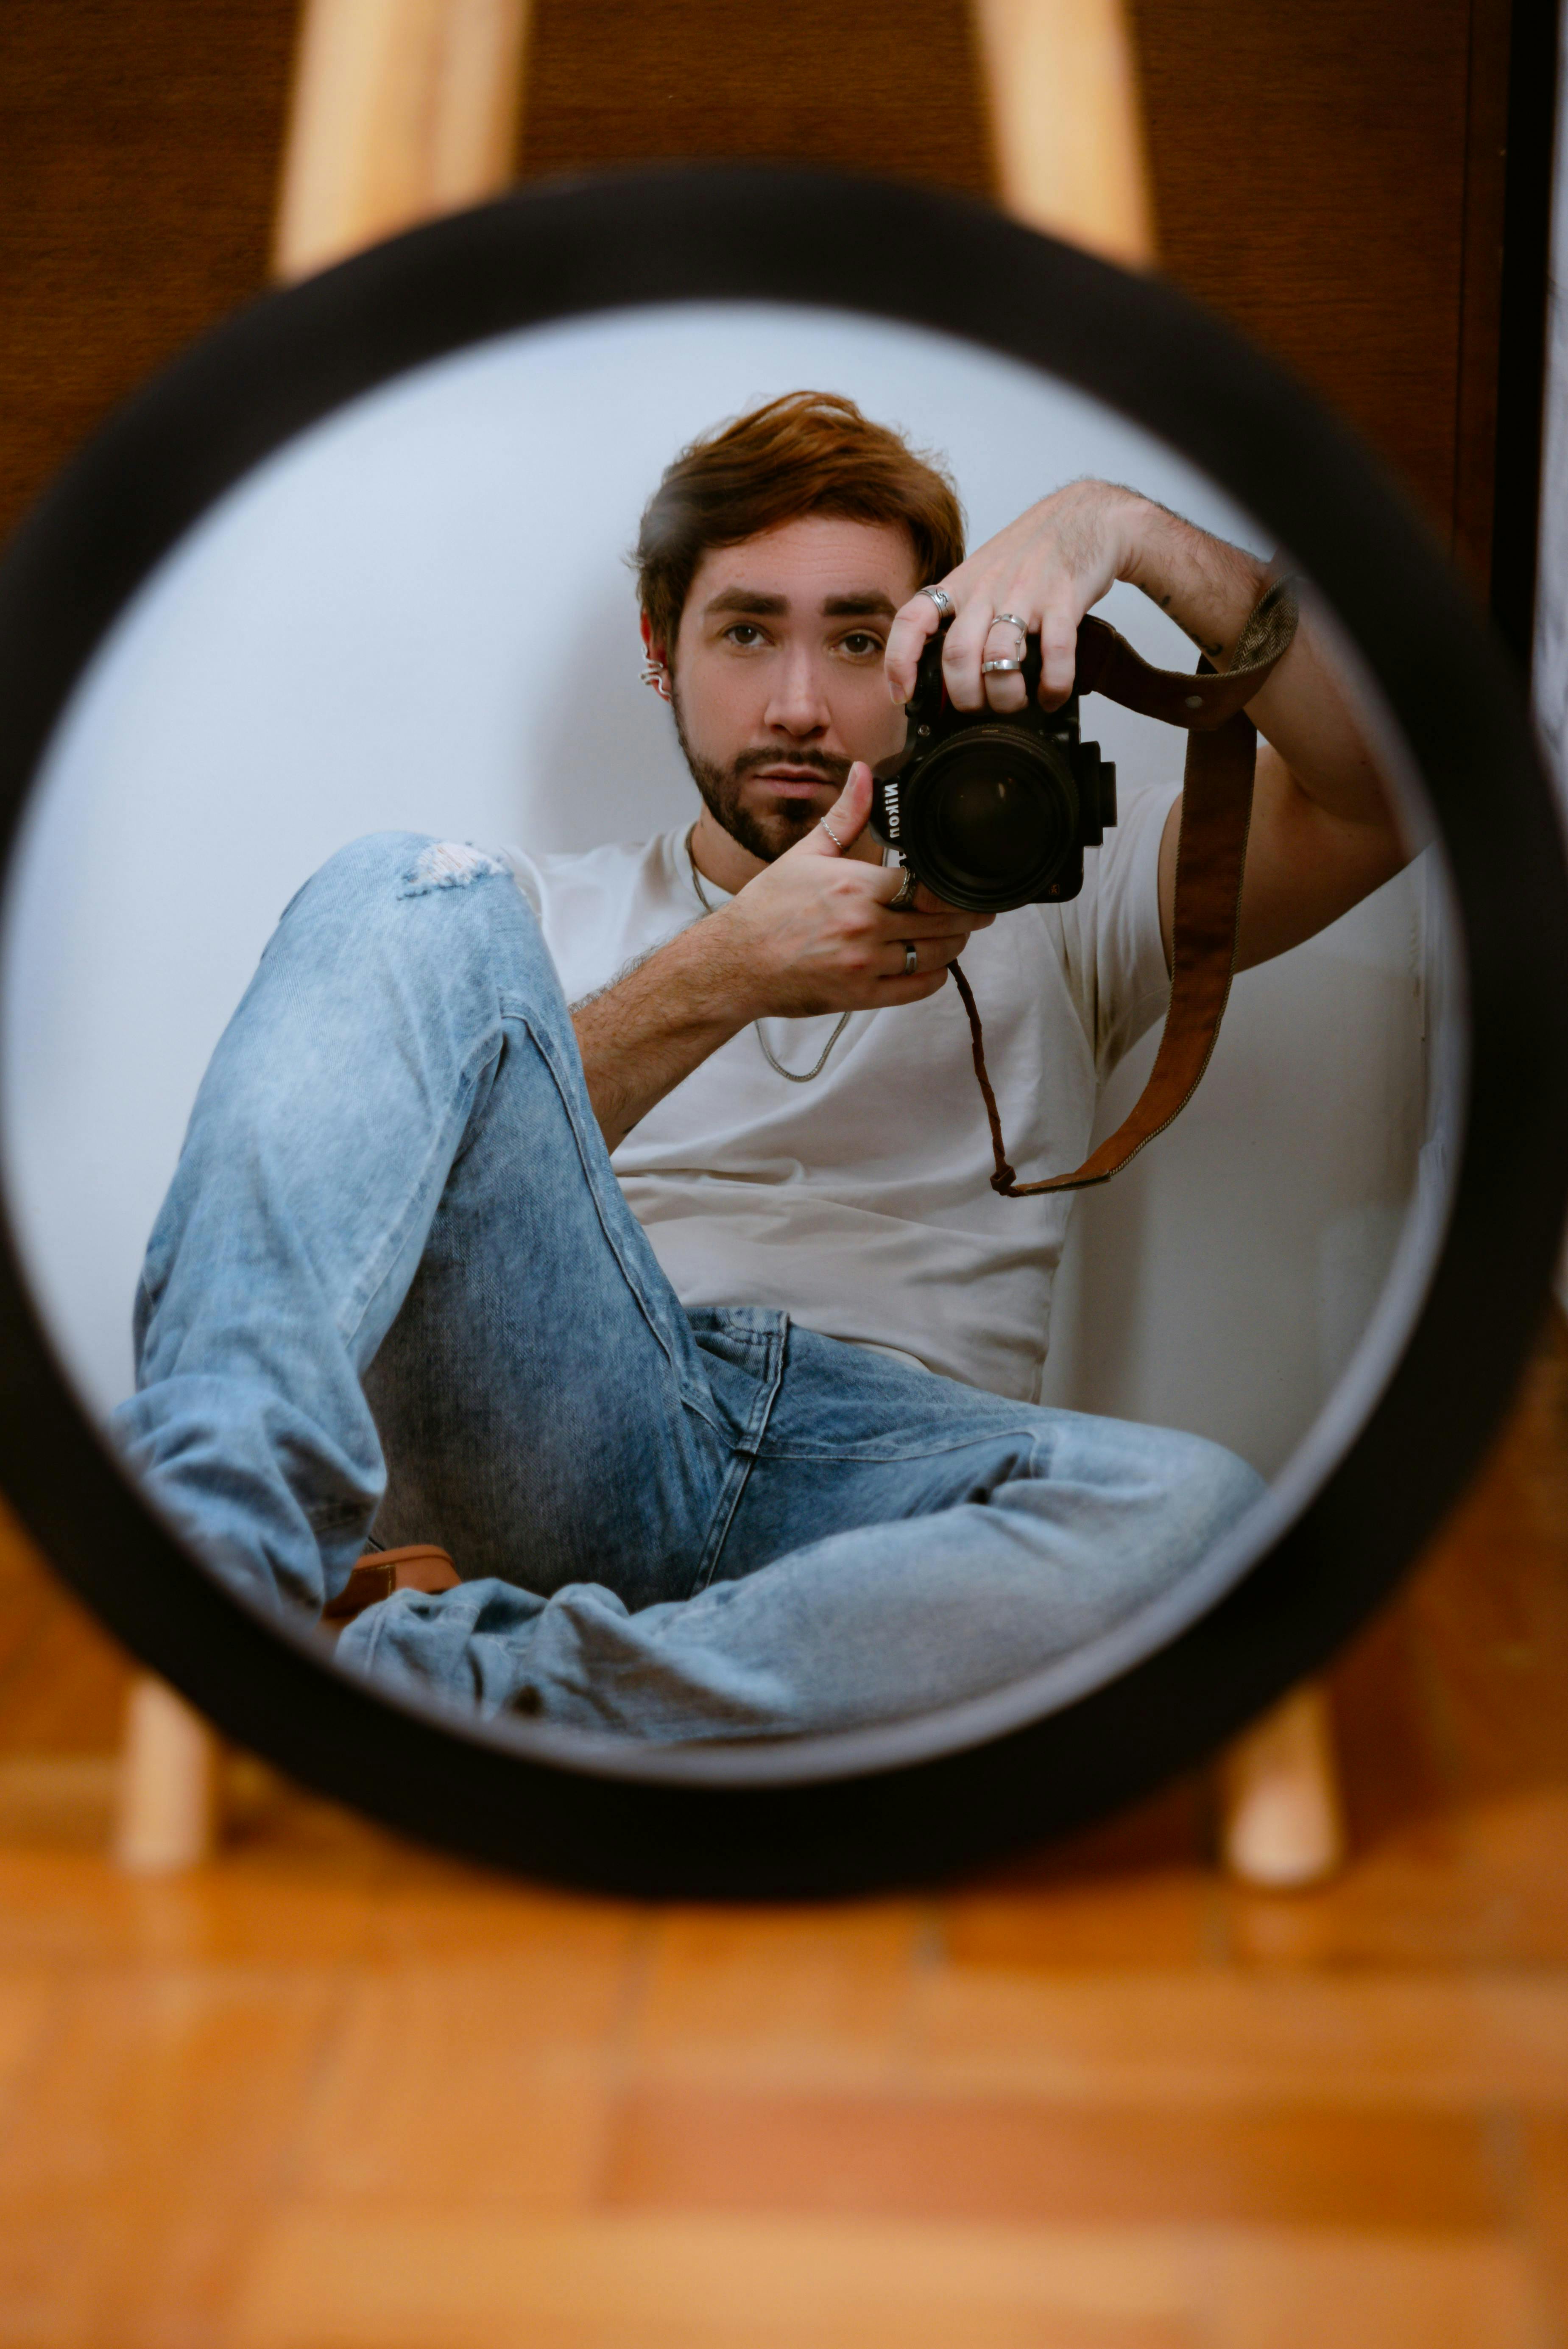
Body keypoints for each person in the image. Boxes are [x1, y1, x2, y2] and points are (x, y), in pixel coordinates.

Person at [112, 392, 1406, 1742]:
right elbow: (417, 1241)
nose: (798, 704)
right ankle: (210, 1578)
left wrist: (1119, 531)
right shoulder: (512, 933)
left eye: (857, 638)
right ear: (660, 652)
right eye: (744, 632)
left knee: (1203, 1523)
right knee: (400, 881)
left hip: (888, 1483)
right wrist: (728, 969)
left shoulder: (1056, 897)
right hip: (576, 1422)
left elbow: (1394, 788)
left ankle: (435, 1679)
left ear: (927, 652)